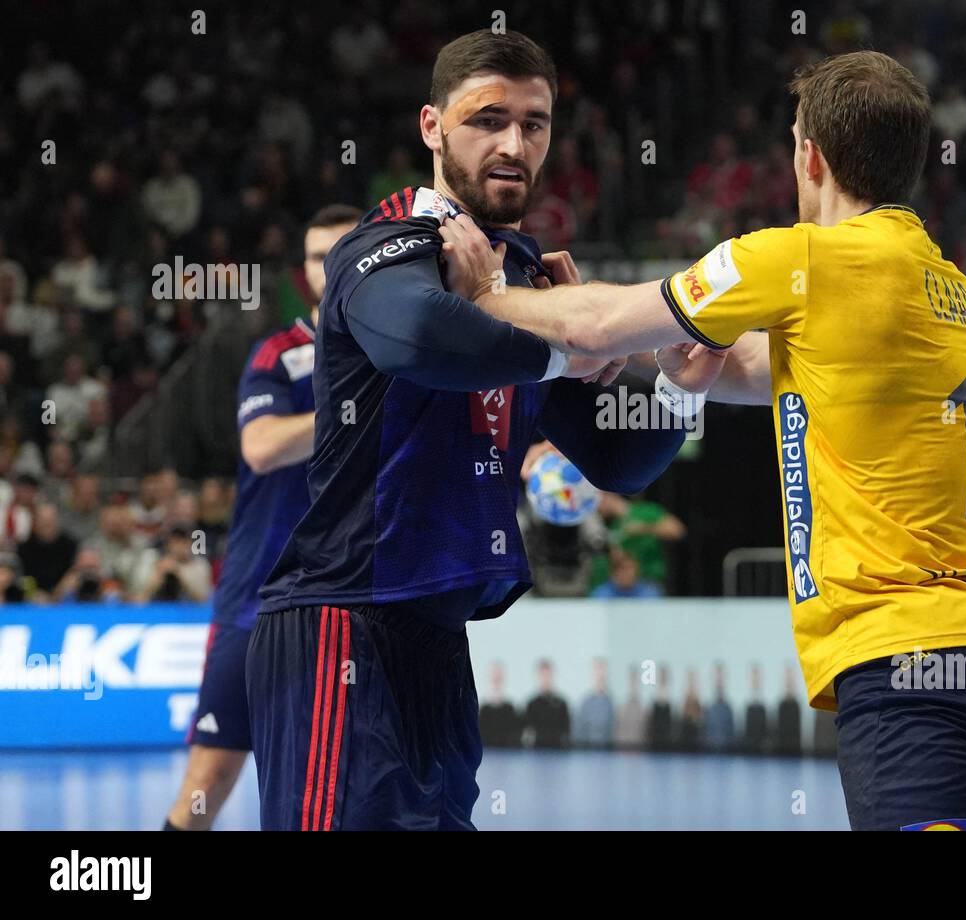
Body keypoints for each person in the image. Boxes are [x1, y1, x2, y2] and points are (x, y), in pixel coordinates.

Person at [443, 50, 966, 830]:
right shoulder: (946, 285)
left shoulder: (799, 257)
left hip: (911, 662)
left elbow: (591, 322)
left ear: (810, 153)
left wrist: (481, 297)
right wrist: (642, 356)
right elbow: (739, 365)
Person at [248, 30, 692, 831]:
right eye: (487, 119)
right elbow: (419, 336)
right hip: (341, 622)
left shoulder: (515, 275)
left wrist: (683, 389)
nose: (514, 144)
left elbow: (620, 454)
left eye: (535, 123)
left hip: (437, 639)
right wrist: (570, 340)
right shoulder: (386, 244)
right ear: (431, 128)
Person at [162, 204, 362, 832]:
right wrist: (363, 411)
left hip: (351, 606)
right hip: (255, 599)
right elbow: (262, 446)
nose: (326, 271)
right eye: (313, 258)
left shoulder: (405, 357)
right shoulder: (279, 354)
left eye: (340, 254)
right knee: (208, 783)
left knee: (338, 788)